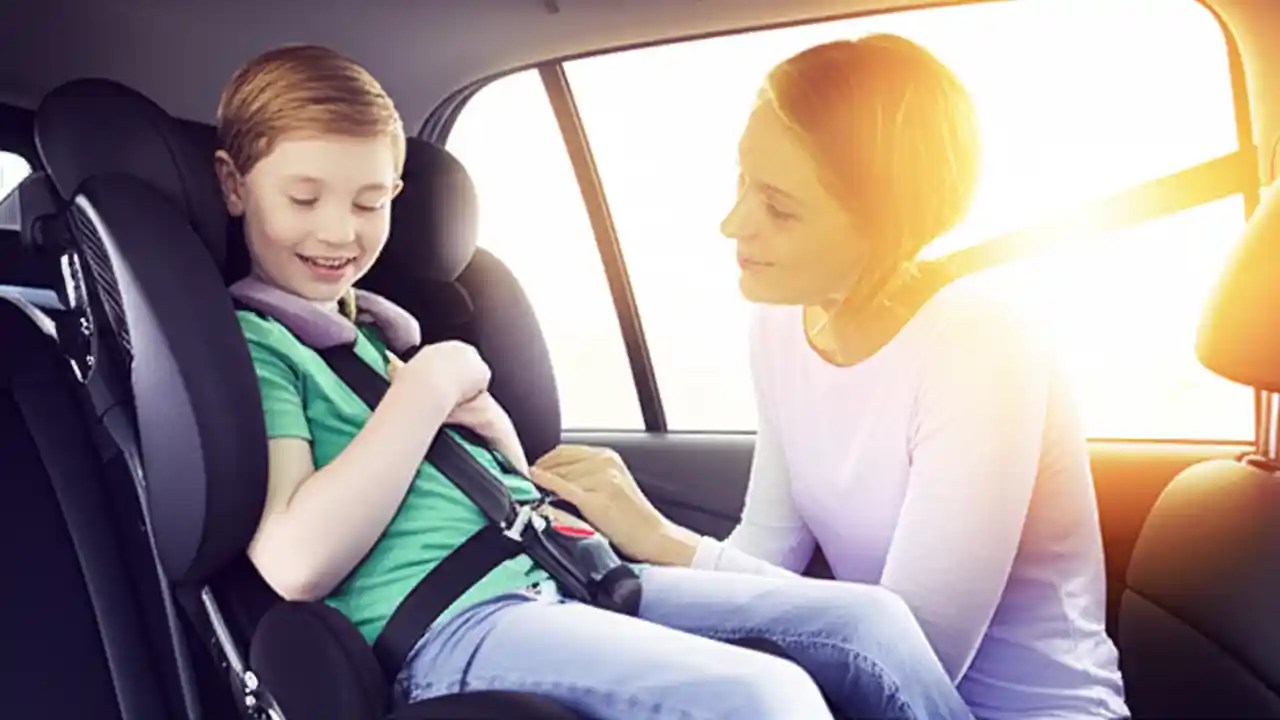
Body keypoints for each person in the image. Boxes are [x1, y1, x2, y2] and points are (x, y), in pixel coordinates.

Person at [217, 44, 973, 720]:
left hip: (562, 569)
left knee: (870, 624)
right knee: (765, 698)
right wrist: (428, 390)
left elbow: (488, 485)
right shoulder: (257, 344)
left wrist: (488, 428)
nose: (339, 231)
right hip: (455, 624)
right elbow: (294, 562)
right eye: (304, 199)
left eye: (370, 202)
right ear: (234, 185)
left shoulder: (376, 335)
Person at [535, 35, 1130, 720]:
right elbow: (769, 553)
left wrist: (662, 540)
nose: (732, 223)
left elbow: (914, 652)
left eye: (780, 208)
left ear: (886, 226)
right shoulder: (780, 326)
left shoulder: (980, 340)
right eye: (741, 181)